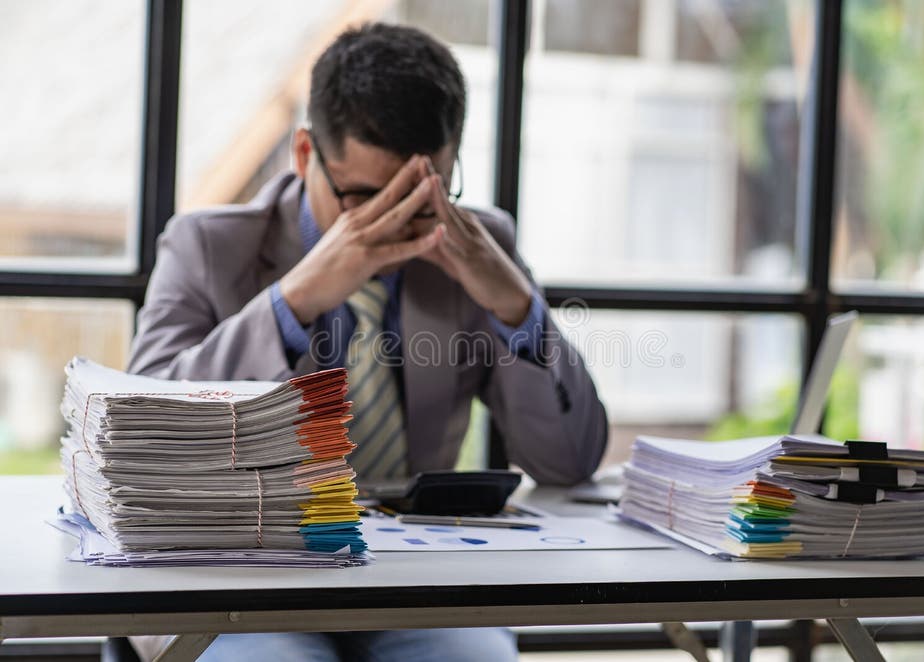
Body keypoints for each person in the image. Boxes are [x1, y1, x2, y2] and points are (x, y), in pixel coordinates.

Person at [127, 22, 607, 662]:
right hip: (238, 574)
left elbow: (570, 462)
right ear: (305, 157)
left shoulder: (475, 247)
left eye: (422, 193)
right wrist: (293, 302)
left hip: (412, 580)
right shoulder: (207, 245)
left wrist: (517, 306)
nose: (395, 221)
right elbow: (143, 435)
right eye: (362, 196)